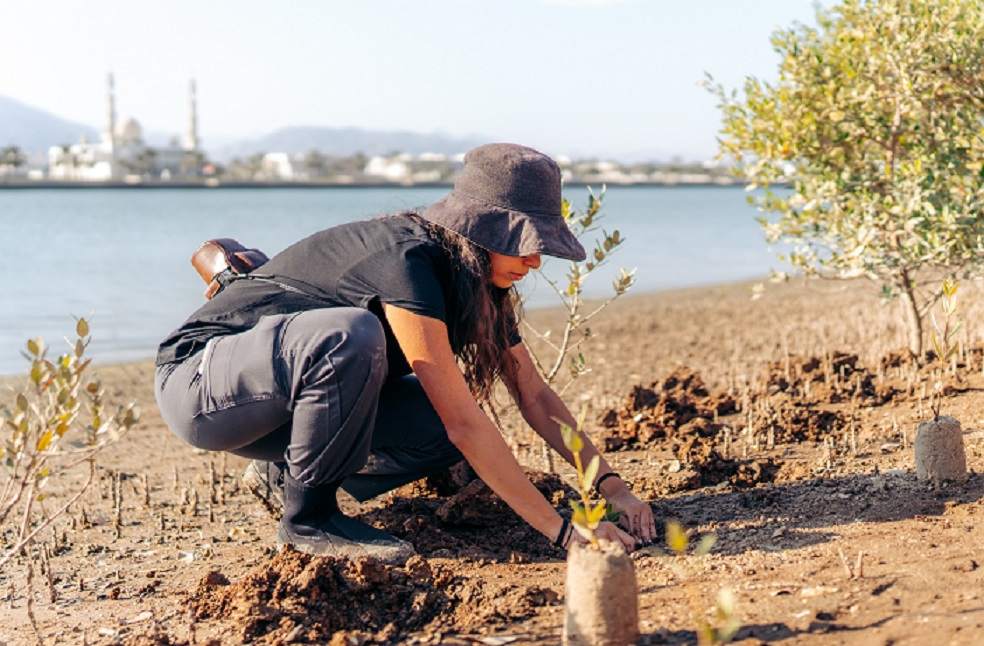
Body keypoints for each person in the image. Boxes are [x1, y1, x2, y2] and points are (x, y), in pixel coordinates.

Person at [154, 143, 656, 564]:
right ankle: (309, 521)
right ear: (481, 232)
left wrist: (612, 487)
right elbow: (465, 419)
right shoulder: (408, 260)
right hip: (200, 387)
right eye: (522, 241)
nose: (534, 259)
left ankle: (286, 473)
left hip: (273, 406)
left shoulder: (477, 286)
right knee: (351, 334)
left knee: (437, 430)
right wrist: (564, 534)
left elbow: (535, 396)